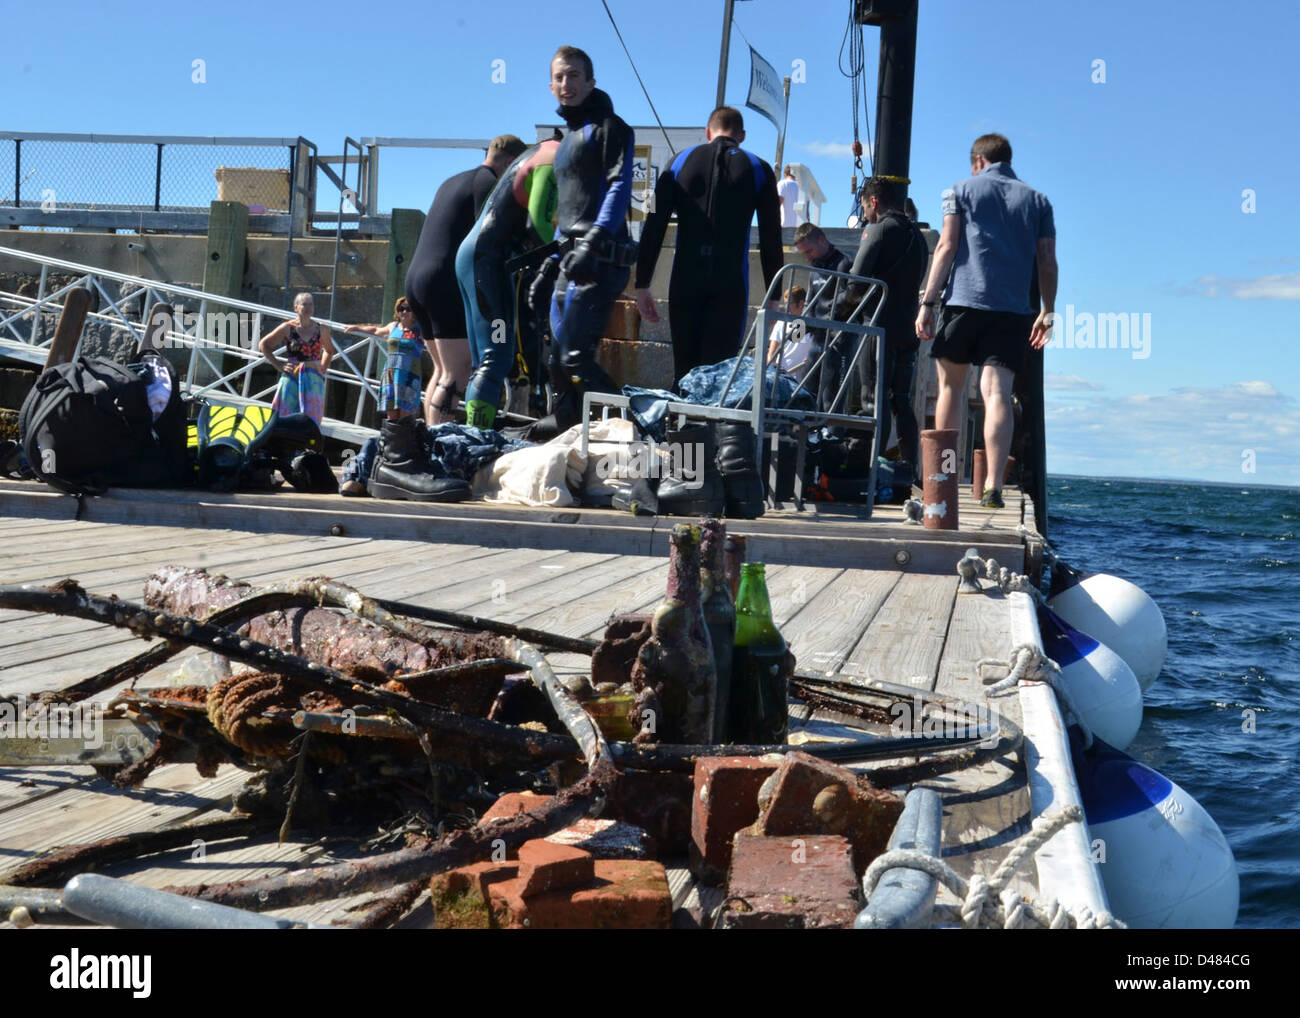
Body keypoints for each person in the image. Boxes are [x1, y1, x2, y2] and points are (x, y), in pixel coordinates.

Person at [915, 133, 1057, 509]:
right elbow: (1047, 260)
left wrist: (928, 302)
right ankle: (992, 485)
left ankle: (943, 478)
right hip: (1011, 312)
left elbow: (946, 246)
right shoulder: (1039, 201)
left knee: (951, 390)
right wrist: (1048, 309)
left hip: (963, 303)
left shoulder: (959, 190)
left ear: (978, 161)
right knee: (996, 394)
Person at [634, 106, 783, 383]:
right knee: (718, 376)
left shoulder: (678, 163)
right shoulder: (760, 169)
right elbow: (771, 235)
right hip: (729, 283)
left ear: (707, 132)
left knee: (685, 371)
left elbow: (652, 222)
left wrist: (642, 283)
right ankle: (708, 425)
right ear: (742, 136)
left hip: (685, 279)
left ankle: (681, 425)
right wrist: (775, 294)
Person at [534, 44, 637, 435]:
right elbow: (570, 208)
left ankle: (638, 431)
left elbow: (618, 188)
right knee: (556, 361)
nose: (567, 83)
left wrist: (593, 242)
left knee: (574, 358)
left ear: (591, 82)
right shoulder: (565, 142)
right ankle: (569, 434)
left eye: (574, 75)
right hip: (569, 260)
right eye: (560, 77)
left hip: (599, 260)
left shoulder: (611, 128)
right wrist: (551, 261)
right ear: (551, 85)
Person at [405, 134, 527, 425]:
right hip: (443, 281)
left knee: (440, 371)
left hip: (416, 279)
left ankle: (430, 442)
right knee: (455, 375)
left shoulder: (451, 181)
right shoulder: (488, 184)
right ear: (510, 162)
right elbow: (490, 235)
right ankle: (441, 448)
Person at [456, 138, 559, 429]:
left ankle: (472, 433)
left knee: (484, 363)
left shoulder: (539, 152)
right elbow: (539, 224)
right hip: (487, 265)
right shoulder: (552, 159)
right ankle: (477, 438)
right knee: (497, 357)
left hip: (476, 260)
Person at [845, 175, 928, 476]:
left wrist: (840, 306)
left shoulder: (877, 229)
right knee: (901, 401)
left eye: (865, 205)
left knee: (873, 397)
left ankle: (870, 468)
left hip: (878, 327)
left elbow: (856, 282)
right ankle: (910, 466)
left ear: (875, 202)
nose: (865, 212)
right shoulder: (917, 235)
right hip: (907, 328)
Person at [791, 222, 853, 412]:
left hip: (838, 339)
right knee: (806, 389)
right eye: (804, 254)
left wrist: (827, 319)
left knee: (831, 396)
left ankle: (832, 437)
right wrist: (797, 333)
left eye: (809, 251)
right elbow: (810, 302)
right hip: (818, 339)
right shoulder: (815, 267)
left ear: (822, 240)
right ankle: (807, 435)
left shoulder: (844, 264)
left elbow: (849, 300)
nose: (807, 257)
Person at [260, 292, 334, 424]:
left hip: (313, 379)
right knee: (282, 414)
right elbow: (264, 345)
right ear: (296, 308)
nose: (308, 308)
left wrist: (323, 368)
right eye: (304, 304)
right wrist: (279, 366)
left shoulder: (321, 329)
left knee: (312, 419)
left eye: (311, 304)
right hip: (292, 376)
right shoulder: (288, 328)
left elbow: (329, 350)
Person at [352, 298, 427, 421]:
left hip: (410, 376)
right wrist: (356, 327)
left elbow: (435, 342)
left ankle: (404, 439)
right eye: (401, 309)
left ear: (414, 312)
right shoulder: (393, 326)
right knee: (391, 415)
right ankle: (391, 439)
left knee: (405, 415)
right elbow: (376, 330)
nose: (404, 312)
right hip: (391, 374)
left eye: (408, 309)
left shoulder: (420, 330)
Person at [765, 285, 809, 376]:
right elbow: (771, 354)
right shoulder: (781, 323)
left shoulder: (813, 325)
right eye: (785, 303)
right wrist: (773, 372)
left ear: (801, 303)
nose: (786, 307)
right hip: (782, 378)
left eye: (789, 303)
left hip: (804, 381)